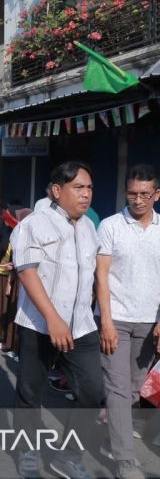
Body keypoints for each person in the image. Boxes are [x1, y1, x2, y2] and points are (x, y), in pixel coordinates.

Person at [10, 161, 103, 479]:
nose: (86, 194)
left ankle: (68, 454)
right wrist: (52, 318)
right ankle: (27, 449)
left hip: (81, 324)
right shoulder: (34, 224)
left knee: (92, 392)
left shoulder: (89, 226)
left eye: (89, 187)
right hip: (39, 323)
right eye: (78, 187)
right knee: (30, 391)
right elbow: (26, 270)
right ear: (56, 190)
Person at [96, 164, 160, 479]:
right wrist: (106, 321)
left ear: (157, 195)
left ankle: (112, 433)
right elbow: (102, 276)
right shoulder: (110, 226)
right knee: (119, 388)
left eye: (145, 194)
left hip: (151, 323)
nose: (137, 200)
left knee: (135, 388)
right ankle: (124, 460)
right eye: (132, 194)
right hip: (116, 319)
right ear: (126, 192)